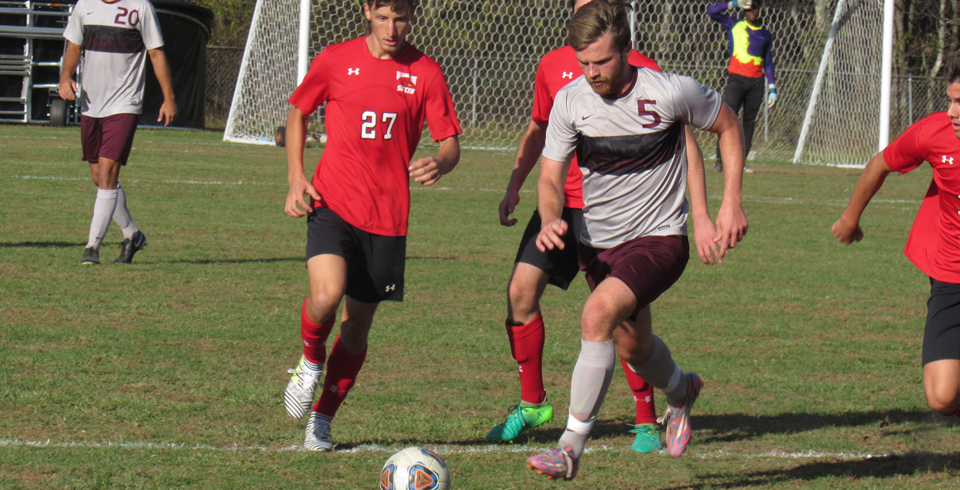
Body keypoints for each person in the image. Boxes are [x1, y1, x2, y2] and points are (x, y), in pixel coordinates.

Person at [524, 0, 748, 479]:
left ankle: (568, 448)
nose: (592, 73)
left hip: (660, 238)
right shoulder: (571, 101)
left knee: (596, 314)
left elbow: (728, 125)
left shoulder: (670, 92)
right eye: (584, 63)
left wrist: (729, 203)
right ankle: (681, 390)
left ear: (625, 49)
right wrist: (548, 218)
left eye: (602, 62)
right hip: (598, 244)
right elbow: (549, 178)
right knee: (632, 346)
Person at [281, 0, 461, 452]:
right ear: (366, 11)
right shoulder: (336, 59)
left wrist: (441, 162)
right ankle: (308, 361)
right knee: (325, 295)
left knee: (357, 326)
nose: (392, 27)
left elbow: (451, 143)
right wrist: (296, 178)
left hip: (387, 217)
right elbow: (299, 111)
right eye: (383, 17)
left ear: (413, 13)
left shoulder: (426, 73)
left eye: (400, 17)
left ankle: (321, 420)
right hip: (332, 200)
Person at [832, 54, 960, 420]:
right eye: (950, 100)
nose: (952, 111)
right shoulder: (935, 133)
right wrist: (850, 217)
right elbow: (881, 163)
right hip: (951, 273)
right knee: (941, 397)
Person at [59, 0, 177, 265]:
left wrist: (169, 98)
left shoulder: (140, 7)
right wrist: (65, 76)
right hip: (91, 103)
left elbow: (156, 53)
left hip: (124, 103)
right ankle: (132, 234)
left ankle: (92, 248)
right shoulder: (84, 6)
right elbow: (74, 47)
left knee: (107, 173)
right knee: (99, 177)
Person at [707, 0, 776, 173]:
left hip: (756, 82)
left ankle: (740, 162)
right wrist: (734, 3)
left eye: (755, 8)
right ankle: (720, 160)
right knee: (728, 118)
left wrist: (772, 88)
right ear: (744, 10)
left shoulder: (765, 34)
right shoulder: (734, 25)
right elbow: (712, 12)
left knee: (749, 123)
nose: (752, 11)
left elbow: (768, 63)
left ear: (759, 10)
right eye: (749, 8)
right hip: (737, 79)